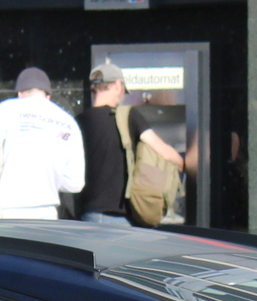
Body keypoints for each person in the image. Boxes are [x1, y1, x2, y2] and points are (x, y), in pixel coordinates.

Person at [0, 68, 83, 220]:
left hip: (7, 211)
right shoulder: (68, 122)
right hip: (48, 215)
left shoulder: (6, 109)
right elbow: (75, 183)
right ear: (48, 96)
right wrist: (47, 176)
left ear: (19, 93)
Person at [76, 63, 184, 227]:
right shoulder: (128, 116)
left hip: (88, 216)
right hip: (121, 218)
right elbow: (164, 153)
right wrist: (187, 165)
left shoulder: (79, 122)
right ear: (118, 85)